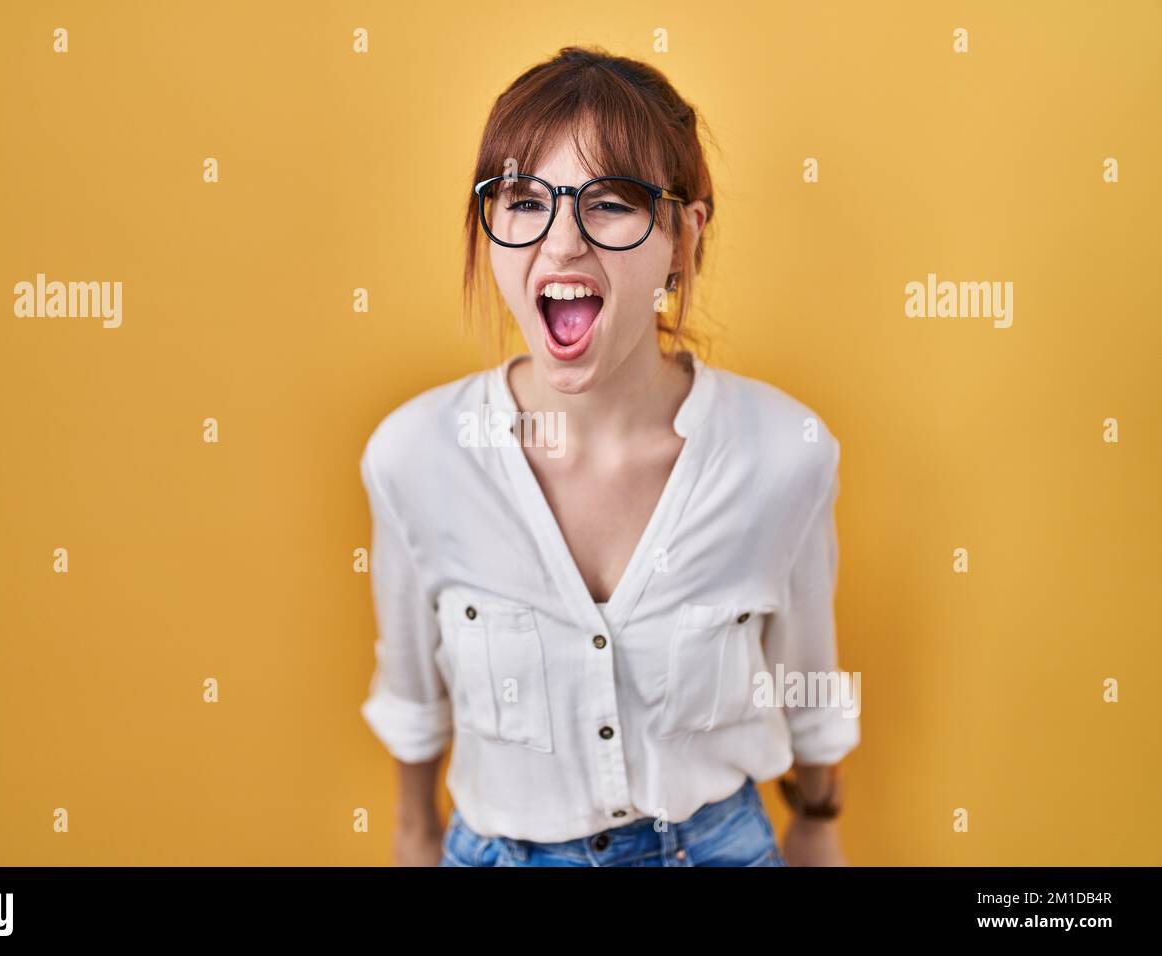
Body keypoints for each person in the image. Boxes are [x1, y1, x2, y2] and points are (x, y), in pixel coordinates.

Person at [359, 46, 858, 867]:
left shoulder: (786, 452)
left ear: (681, 237)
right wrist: (413, 840)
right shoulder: (416, 456)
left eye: (611, 202)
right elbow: (413, 702)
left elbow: (809, 681)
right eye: (522, 199)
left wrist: (819, 823)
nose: (560, 245)